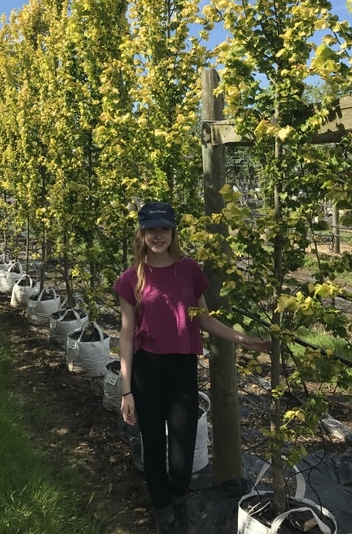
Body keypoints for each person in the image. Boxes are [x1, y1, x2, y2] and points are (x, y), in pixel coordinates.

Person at [114, 201, 270, 534]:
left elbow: (204, 319)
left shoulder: (188, 270)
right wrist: (125, 389)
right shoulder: (131, 279)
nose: (158, 236)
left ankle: (177, 497)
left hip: (182, 368)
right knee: (153, 447)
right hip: (147, 371)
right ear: (142, 233)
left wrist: (242, 339)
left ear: (173, 232)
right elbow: (126, 334)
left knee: (182, 457)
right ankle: (165, 515)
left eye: (164, 229)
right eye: (151, 230)